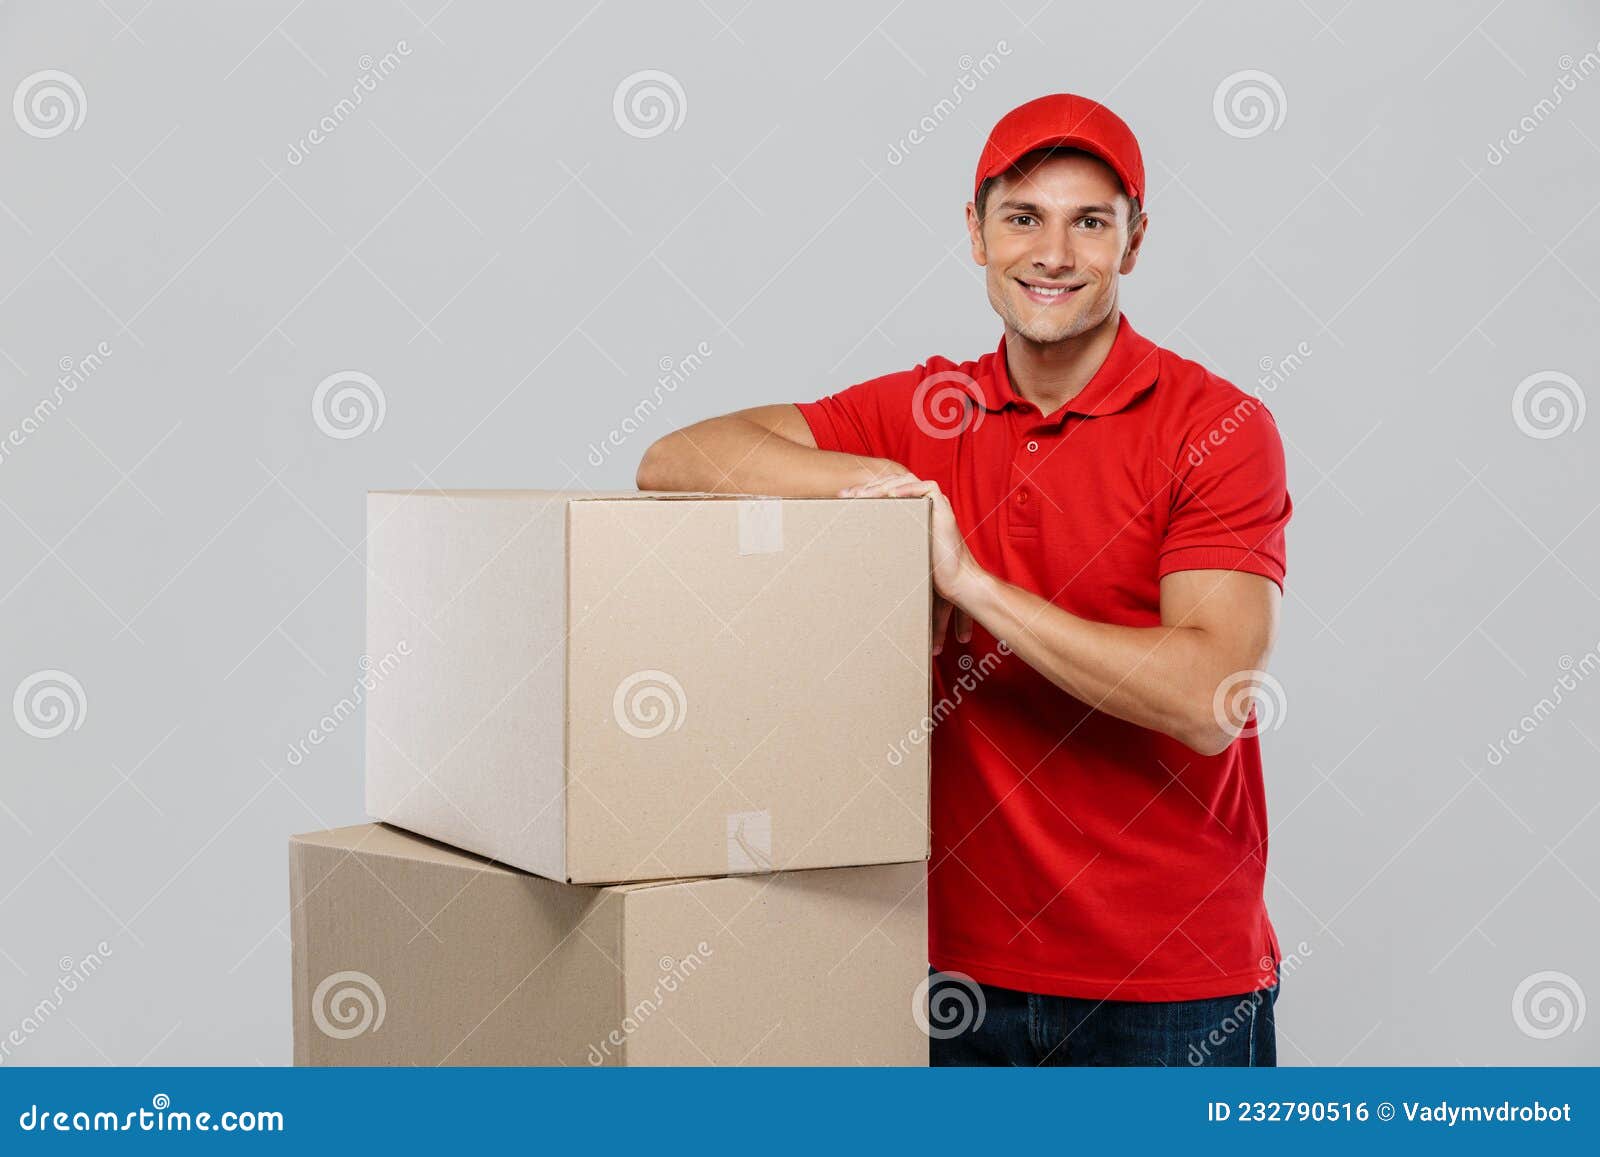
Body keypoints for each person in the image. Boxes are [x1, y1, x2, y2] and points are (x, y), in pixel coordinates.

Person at [636, 93, 1292, 1067]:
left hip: (1168, 981)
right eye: (1022, 217)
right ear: (975, 234)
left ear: (1135, 241)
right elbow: (676, 457)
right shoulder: (928, 409)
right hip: (951, 970)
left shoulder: (1215, 425)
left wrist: (972, 584)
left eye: (1090, 222)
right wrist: (883, 487)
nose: (1053, 252)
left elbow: (1206, 697)